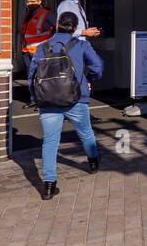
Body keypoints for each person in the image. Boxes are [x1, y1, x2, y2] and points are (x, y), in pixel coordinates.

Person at [27, 11, 103, 200]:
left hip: (48, 101)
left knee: (50, 142)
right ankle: (93, 162)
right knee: (86, 133)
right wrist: (88, 80)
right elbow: (98, 67)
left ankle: (49, 185)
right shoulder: (81, 45)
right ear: (75, 27)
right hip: (76, 98)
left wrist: (35, 97)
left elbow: (32, 76)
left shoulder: (42, 47)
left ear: (56, 25)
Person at [19, 0, 54, 73]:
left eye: (33, 1)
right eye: (28, 2)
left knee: (41, 76)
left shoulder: (46, 14)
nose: (30, 4)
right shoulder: (28, 14)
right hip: (27, 51)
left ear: (39, 2)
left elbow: (58, 28)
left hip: (41, 52)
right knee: (30, 76)